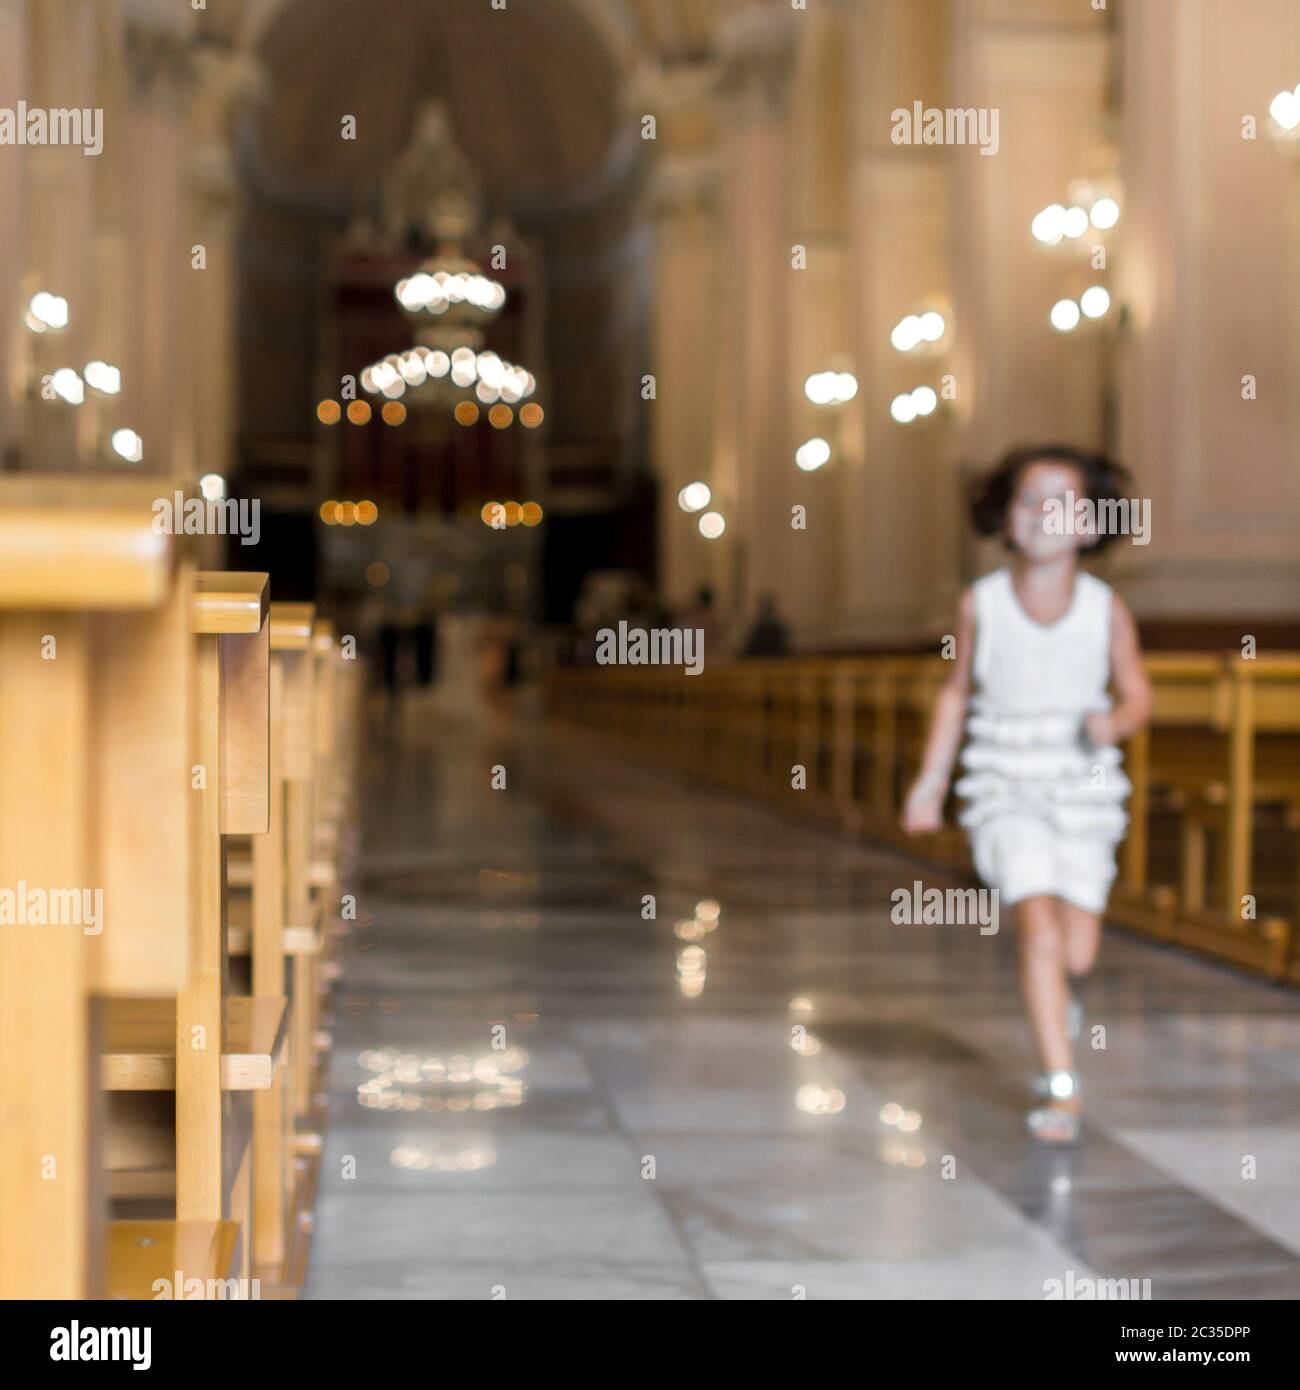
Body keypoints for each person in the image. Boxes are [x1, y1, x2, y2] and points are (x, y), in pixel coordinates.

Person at [901, 444, 1152, 1146]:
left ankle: (1059, 1002)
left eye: (1062, 501)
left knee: (1076, 953)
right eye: (1028, 499)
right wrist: (930, 784)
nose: (1045, 513)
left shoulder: (1105, 610)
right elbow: (955, 695)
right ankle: (1061, 1083)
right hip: (1004, 779)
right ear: (1005, 519)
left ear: (1091, 523)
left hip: (1083, 786)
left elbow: (1138, 694)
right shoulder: (979, 604)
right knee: (1037, 930)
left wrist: (1115, 720)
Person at [741, 592, 791, 658]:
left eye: (767, 607)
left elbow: (783, 649)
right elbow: (750, 649)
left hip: (774, 662)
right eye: (764, 607)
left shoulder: (778, 628)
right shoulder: (756, 628)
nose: (765, 610)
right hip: (758, 662)